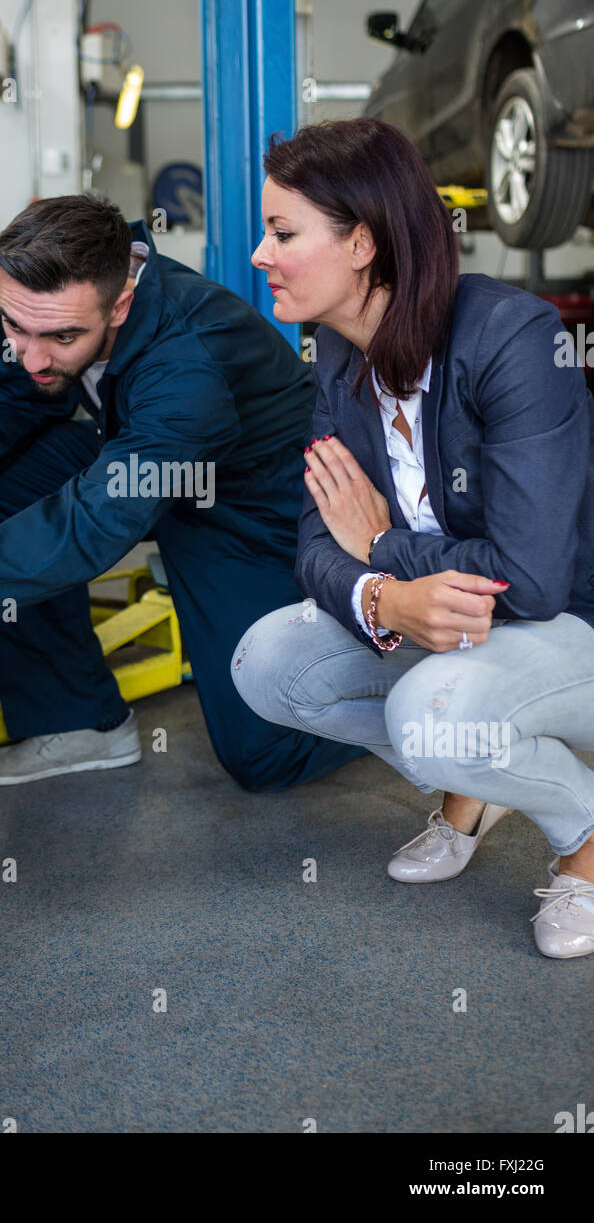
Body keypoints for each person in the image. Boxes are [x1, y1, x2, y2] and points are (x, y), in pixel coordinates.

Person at [231, 116, 594, 959]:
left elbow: (533, 581)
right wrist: (385, 595)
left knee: (429, 718)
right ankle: (471, 788)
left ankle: (583, 835)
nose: (260, 254)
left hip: (570, 620)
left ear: (362, 243)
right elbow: (316, 533)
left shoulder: (517, 342)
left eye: (283, 233)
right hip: (459, 615)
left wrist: (388, 549)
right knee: (267, 664)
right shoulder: (332, 350)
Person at [0, 193, 364, 791]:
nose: (33, 354)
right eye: (16, 326)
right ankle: (80, 722)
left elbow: (87, 529)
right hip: (134, 454)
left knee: (262, 754)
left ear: (121, 304)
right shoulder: (46, 287)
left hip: (247, 507)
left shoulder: (189, 366)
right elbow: (25, 383)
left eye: (62, 337)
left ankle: (408, 681)